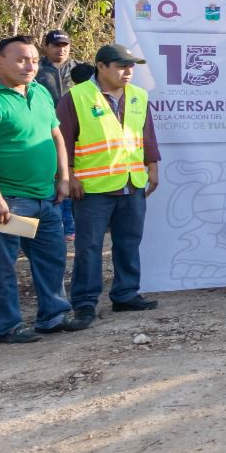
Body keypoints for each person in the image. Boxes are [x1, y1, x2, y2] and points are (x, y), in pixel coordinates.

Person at [0, 35, 78, 343]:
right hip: (6, 201)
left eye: (35, 60)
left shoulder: (39, 92)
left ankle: (53, 316)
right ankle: (6, 327)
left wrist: (63, 177)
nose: (30, 66)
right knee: (2, 267)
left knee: (52, 260)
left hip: (46, 197)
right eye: (22, 59)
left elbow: (56, 136)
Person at [60, 43, 161, 327]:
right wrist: (68, 175)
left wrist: (153, 166)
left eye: (130, 66)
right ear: (101, 67)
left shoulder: (139, 96)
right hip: (93, 187)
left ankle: (126, 294)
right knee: (88, 246)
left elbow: (147, 134)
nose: (127, 71)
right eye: (120, 66)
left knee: (129, 241)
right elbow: (63, 139)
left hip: (132, 182)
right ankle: (84, 303)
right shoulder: (77, 97)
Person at [35, 28, 78, 239]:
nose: (61, 49)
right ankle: (54, 224)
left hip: (75, 130)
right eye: (56, 45)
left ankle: (70, 226)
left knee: (70, 173)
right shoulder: (36, 70)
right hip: (44, 131)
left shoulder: (81, 70)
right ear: (46, 47)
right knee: (52, 175)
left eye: (65, 45)